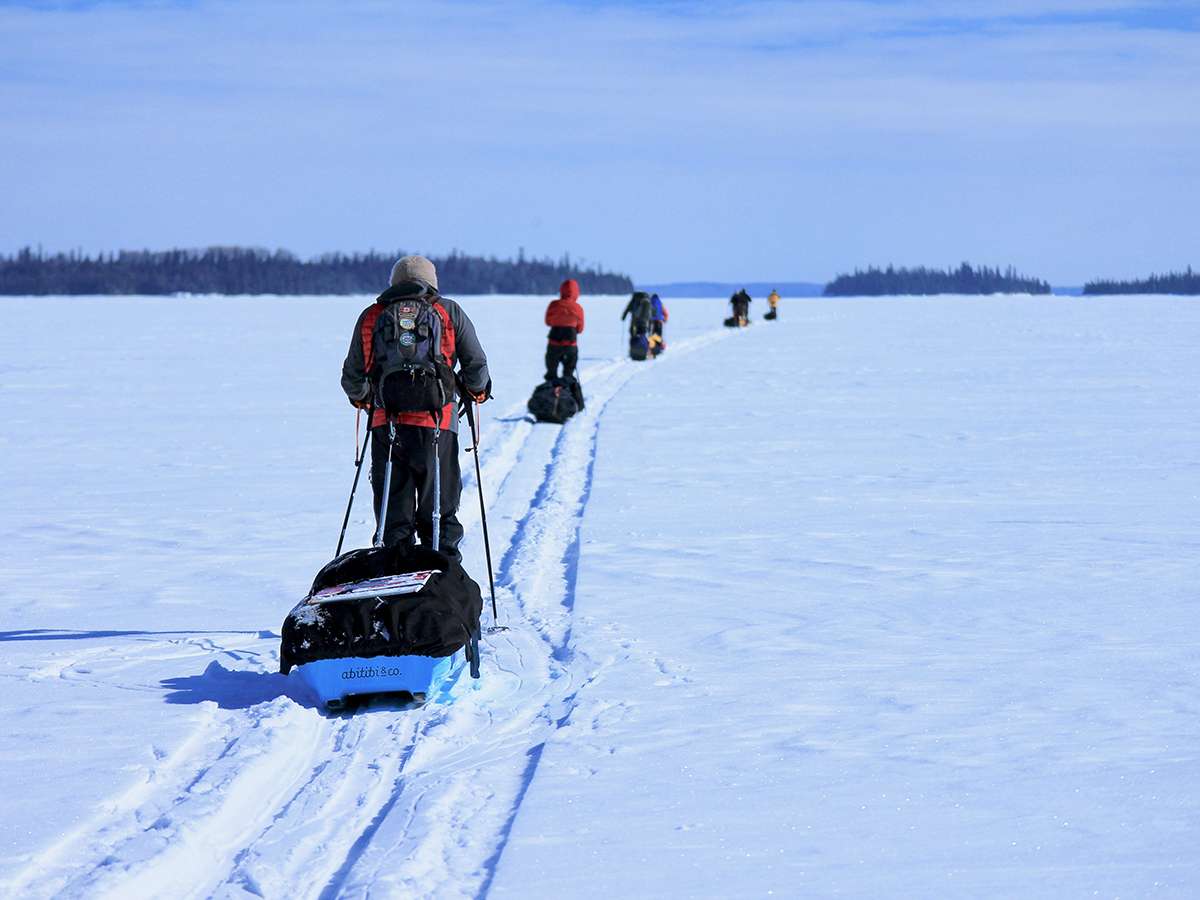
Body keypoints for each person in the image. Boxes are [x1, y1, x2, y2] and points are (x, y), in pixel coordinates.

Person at [341, 255, 490, 561]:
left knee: (393, 515)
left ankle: (394, 584)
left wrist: (365, 398)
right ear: (431, 282)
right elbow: (476, 365)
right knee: (440, 511)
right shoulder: (449, 311)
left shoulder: (372, 315)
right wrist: (477, 391)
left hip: (387, 425)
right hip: (439, 424)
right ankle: (443, 577)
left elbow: (353, 377)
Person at [544, 279, 585, 381]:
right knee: (568, 374)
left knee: (551, 374)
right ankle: (567, 392)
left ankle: (551, 392)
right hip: (570, 346)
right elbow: (580, 329)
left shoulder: (553, 304)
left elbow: (548, 322)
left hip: (553, 344)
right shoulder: (578, 308)